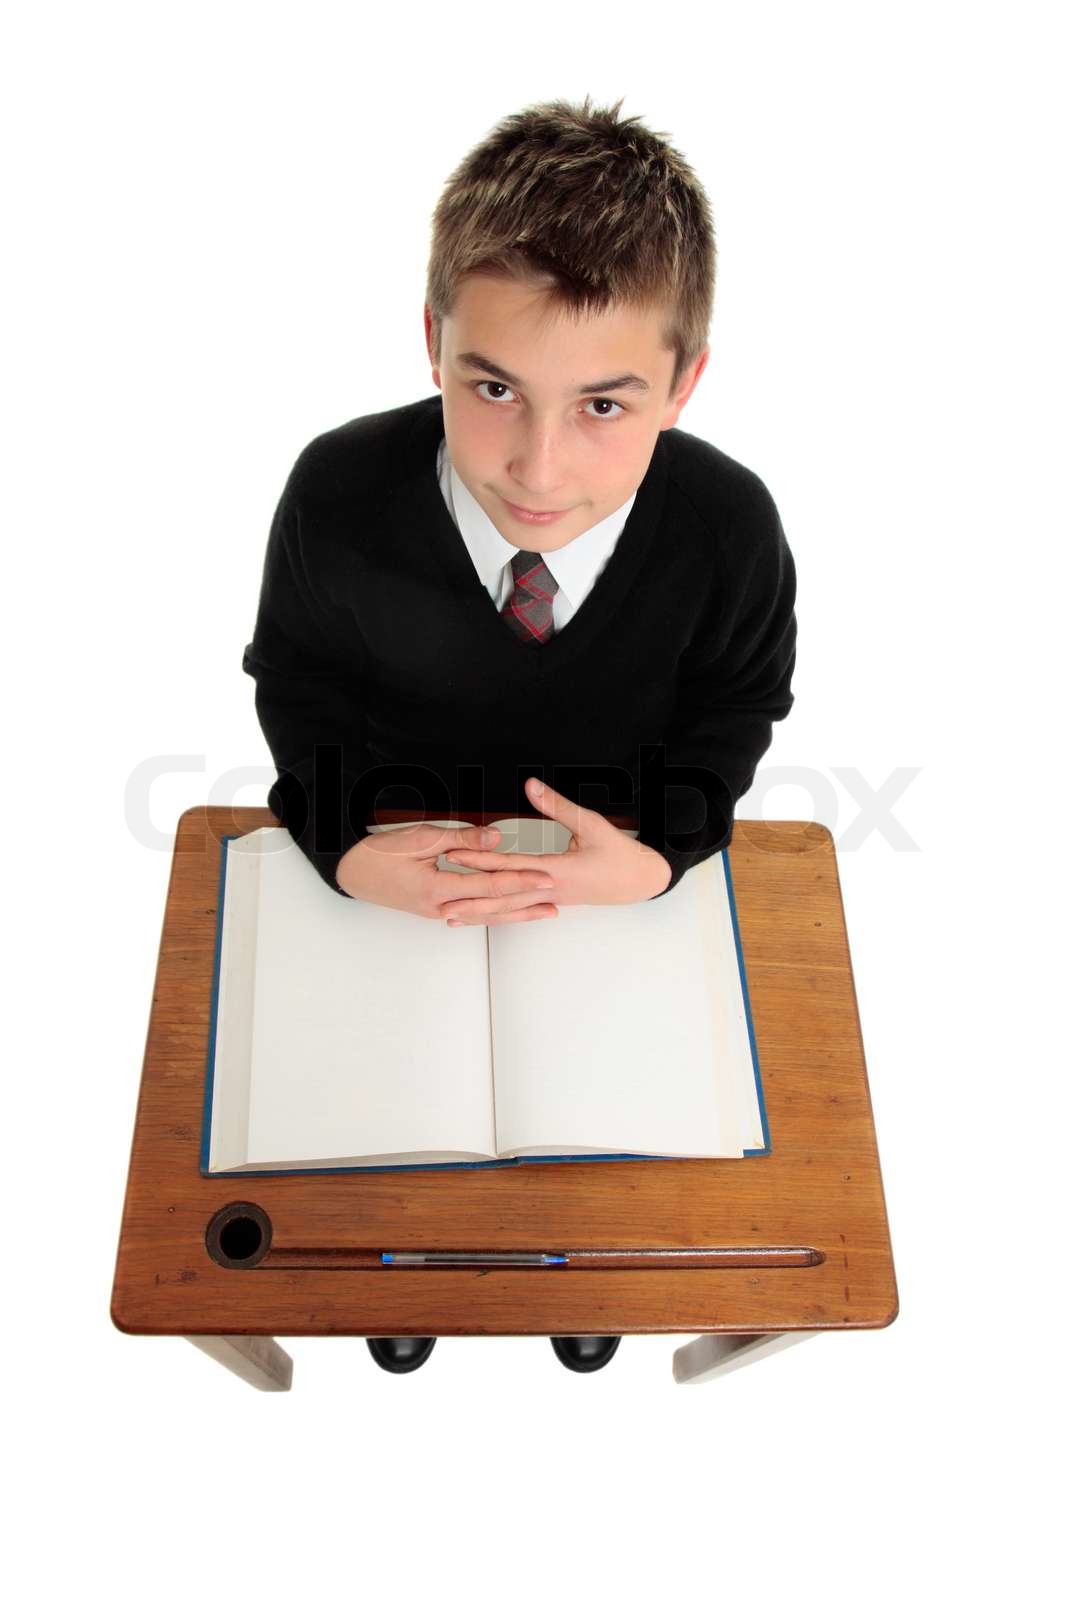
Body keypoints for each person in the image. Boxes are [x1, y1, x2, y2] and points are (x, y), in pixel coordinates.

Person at [242, 94, 798, 1377]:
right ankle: (408, 1283)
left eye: (603, 405)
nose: (538, 467)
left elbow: (734, 710)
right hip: (397, 883)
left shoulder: (728, 528)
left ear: (684, 383)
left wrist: (656, 852)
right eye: (492, 387)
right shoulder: (335, 490)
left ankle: (575, 1285)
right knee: (382, 1132)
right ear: (430, 340)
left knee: (601, 1139)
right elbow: (301, 686)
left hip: (610, 904)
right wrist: (340, 845)